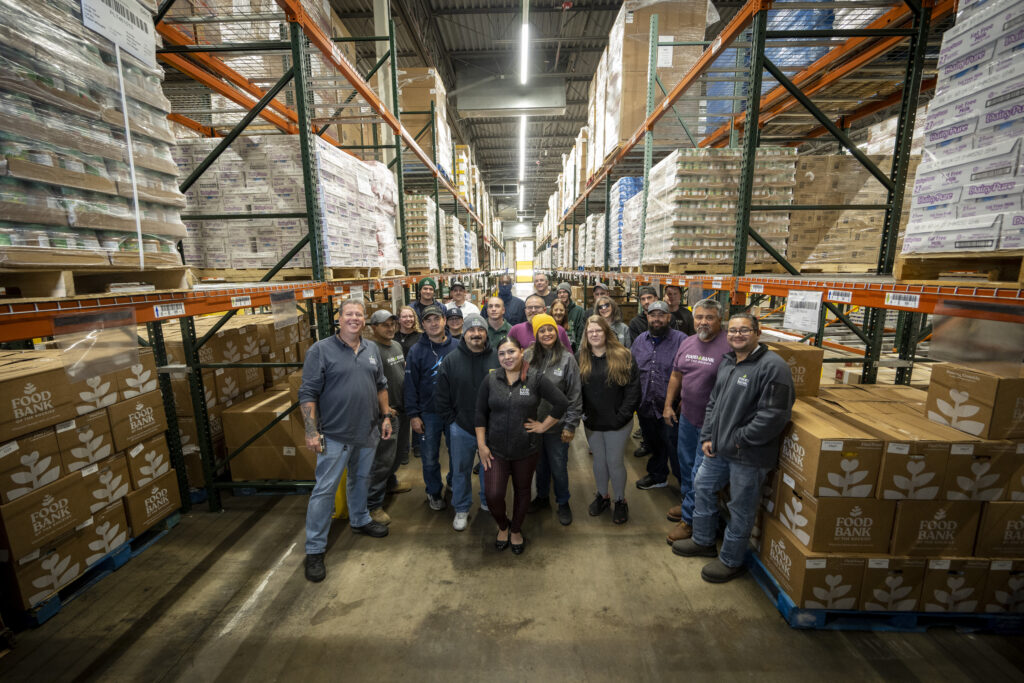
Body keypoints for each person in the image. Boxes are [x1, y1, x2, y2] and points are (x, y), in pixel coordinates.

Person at [672, 312, 795, 583]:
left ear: (757, 333)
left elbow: (774, 415)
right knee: (702, 486)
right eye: (733, 331)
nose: (737, 335)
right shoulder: (728, 361)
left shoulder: (773, 367)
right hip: (719, 448)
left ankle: (731, 560)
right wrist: (707, 436)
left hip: (749, 454)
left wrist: (739, 438)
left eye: (744, 331)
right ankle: (703, 540)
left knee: (741, 507)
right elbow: (714, 403)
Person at [299, 299, 393, 583]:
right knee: (324, 491)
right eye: (348, 314)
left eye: (359, 314)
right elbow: (308, 393)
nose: (354, 318)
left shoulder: (371, 349)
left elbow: (381, 386)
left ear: (364, 320)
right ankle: (315, 548)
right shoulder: (321, 350)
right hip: (334, 435)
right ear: (338, 319)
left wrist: (386, 416)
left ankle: (360, 518)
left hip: (367, 431)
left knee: (361, 479)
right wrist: (310, 430)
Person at [476, 336, 568, 555]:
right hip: (495, 450)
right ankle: (503, 525)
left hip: (526, 449)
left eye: (511, 352)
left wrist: (543, 426)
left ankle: (515, 529)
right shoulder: (491, 380)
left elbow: (562, 403)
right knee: (493, 494)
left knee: (523, 491)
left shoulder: (535, 378)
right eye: (502, 354)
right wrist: (481, 445)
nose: (507, 357)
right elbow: (480, 413)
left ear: (521, 351)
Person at [661, 298, 730, 544]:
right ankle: (688, 502)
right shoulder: (688, 342)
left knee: (702, 473)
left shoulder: (729, 345)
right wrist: (668, 405)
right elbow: (676, 376)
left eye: (709, 317)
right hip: (688, 417)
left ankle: (690, 521)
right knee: (686, 465)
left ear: (719, 319)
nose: (703, 322)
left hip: (713, 424)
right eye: (699, 317)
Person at [435, 314, 498, 531]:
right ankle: (461, 508)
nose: (476, 334)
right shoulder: (452, 360)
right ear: (464, 334)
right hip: (461, 427)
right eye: (471, 330)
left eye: (480, 330)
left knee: (488, 469)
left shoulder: (496, 358)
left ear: (486, 333)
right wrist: (452, 421)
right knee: (460, 470)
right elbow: (441, 395)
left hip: (490, 428)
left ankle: (487, 501)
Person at [578, 315, 640, 524]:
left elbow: (633, 391)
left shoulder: (623, 355)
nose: (594, 334)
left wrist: (622, 416)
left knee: (614, 461)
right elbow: (577, 390)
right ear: (586, 335)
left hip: (618, 421)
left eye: (598, 330)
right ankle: (602, 495)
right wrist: (582, 413)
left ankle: (620, 500)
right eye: (590, 332)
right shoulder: (582, 357)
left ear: (606, 332)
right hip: (593, 421)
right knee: (599, 460)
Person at [525, 314, 582, 526]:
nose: (547, 333)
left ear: (557, 333)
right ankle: (541, 498)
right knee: (539, 466)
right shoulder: (528, 356)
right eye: (542, 330)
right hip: (533, 424)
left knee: (558, 466)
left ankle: (563, 501)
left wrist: (571, 425)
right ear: (536, 334)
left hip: (558, 427)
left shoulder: (567, 359)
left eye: (550, 329)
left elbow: (575, 395)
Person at [404, 304, 457, 510]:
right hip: (428, 414)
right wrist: (413, 415)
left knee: (457, 454)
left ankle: (453, 483)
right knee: (429, 457)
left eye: (437, 319)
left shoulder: (457, 347)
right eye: (428, 321)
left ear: (444, 320)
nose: (433, 324)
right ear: (423, 325)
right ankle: (434, 491)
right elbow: (410, 385)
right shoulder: (416, 351)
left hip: (454, 413)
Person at [631, 301, 686, 491]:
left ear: (668, 317)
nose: (657, 319)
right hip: (646, 405)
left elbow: (689, 373)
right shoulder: (639, 341)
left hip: (671, 407)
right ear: (647, 317)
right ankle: (658, 475)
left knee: (676, 449)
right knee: (654, 444)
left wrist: (684, 400)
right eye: (653, 315)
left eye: (661, 315)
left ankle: (686, 491)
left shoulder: (681, 340)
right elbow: (633, 371)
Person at [365, 309, 411, 527]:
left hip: (402, 408)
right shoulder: (370, 350)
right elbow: (369, 384)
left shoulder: (396, 346)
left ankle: (391, 483)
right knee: (382, 459)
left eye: (393, 324)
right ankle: (373, 504)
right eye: (385, 325)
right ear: (373, 327)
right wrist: (383, 409)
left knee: (398, 453)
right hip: (387, 412)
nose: (390, 328)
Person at [395, 305, 422, 462]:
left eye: (410, 316)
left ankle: (417, 444)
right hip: (398, 381)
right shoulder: (394, 337)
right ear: (399, 319)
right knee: (403, 415)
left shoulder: (420, 336)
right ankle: (403, 449)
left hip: (416, 379)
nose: (408, 319)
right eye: (404, 317)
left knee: (416, 411)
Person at [555, 282, 587, 349]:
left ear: (569, 294)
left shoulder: (579, 311)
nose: (562, 294)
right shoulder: (554, 311)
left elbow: (580, 333)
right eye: (559, 293)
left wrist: (578, 351)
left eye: (564, 292)